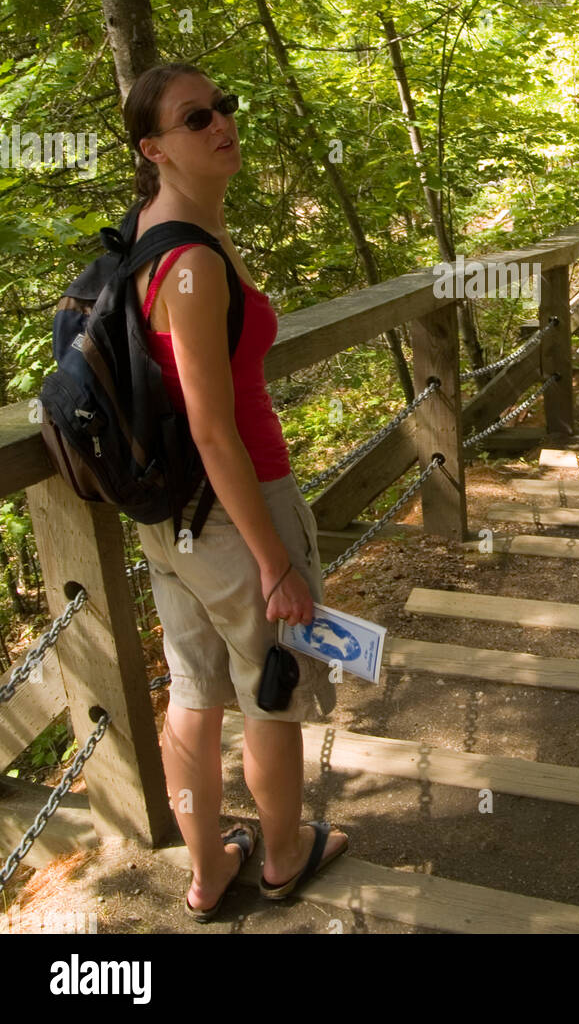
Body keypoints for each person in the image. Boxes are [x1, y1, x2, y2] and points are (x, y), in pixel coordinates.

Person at [124, 62, 348, 921]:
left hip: (169, 517)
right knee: (273, 689)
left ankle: (209, 867)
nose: (220, 122)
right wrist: (273, 562)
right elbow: (214, 428)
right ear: (155, 148)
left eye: (224, 105)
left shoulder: (152, 233)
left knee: (192, 688)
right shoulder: (193, 261)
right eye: (194, 119)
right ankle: (285, 856)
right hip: (237, 505)